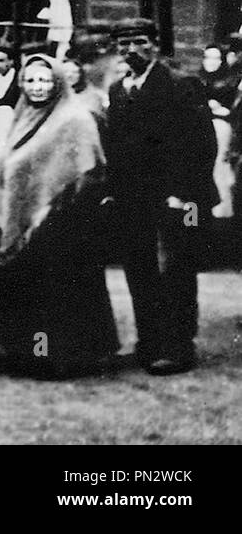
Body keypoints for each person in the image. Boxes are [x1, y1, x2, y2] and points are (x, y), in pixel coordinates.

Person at [0, 53, 119, 378]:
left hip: (64, 224)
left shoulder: (75, 119)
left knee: (58, 293)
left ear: (58, 81)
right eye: (30, 80)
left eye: (45, 80)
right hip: (21, 223)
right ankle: (27, 352)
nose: (38, 87)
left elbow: (90, 171)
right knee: (27, 292)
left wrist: (52, 210)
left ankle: (61, 357)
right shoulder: (21, 118)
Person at [104, 19, 218, 375]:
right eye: (123, 45)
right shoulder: (118, 90)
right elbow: (116, 147)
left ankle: (178, 346)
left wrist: (181, 194)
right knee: (139, 268)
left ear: (154, 44)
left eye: (139, 42)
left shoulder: (181, 84)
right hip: (132, 195)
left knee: (177, 269)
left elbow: (201, 144)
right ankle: (148, 342)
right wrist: (112, 191)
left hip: (176, 196)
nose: (131, 51)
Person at [198, 43, 237, 219]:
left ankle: (221, 213)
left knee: (219, 167)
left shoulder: (229, 81)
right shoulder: (197, 79)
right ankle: (194, 218)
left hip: (221, 129)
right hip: (201, 128)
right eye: (207, 57)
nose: (211, 62)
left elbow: (232, 111)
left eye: (216, 58)